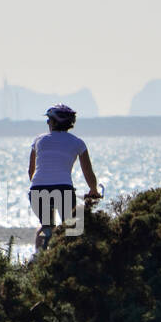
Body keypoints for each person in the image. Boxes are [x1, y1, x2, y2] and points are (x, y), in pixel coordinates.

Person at [28, 104, 100, 252]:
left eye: (49, 120)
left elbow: (31, 172)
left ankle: (37, 257)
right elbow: (88, 172)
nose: (47, 123)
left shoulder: (38, 140)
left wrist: (42, 183)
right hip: (63, 189)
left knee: (46, 225)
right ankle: (67, 259)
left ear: (54, 122)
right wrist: (93, 190)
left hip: (37, 188)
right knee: (71, 227)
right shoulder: (78, 143)